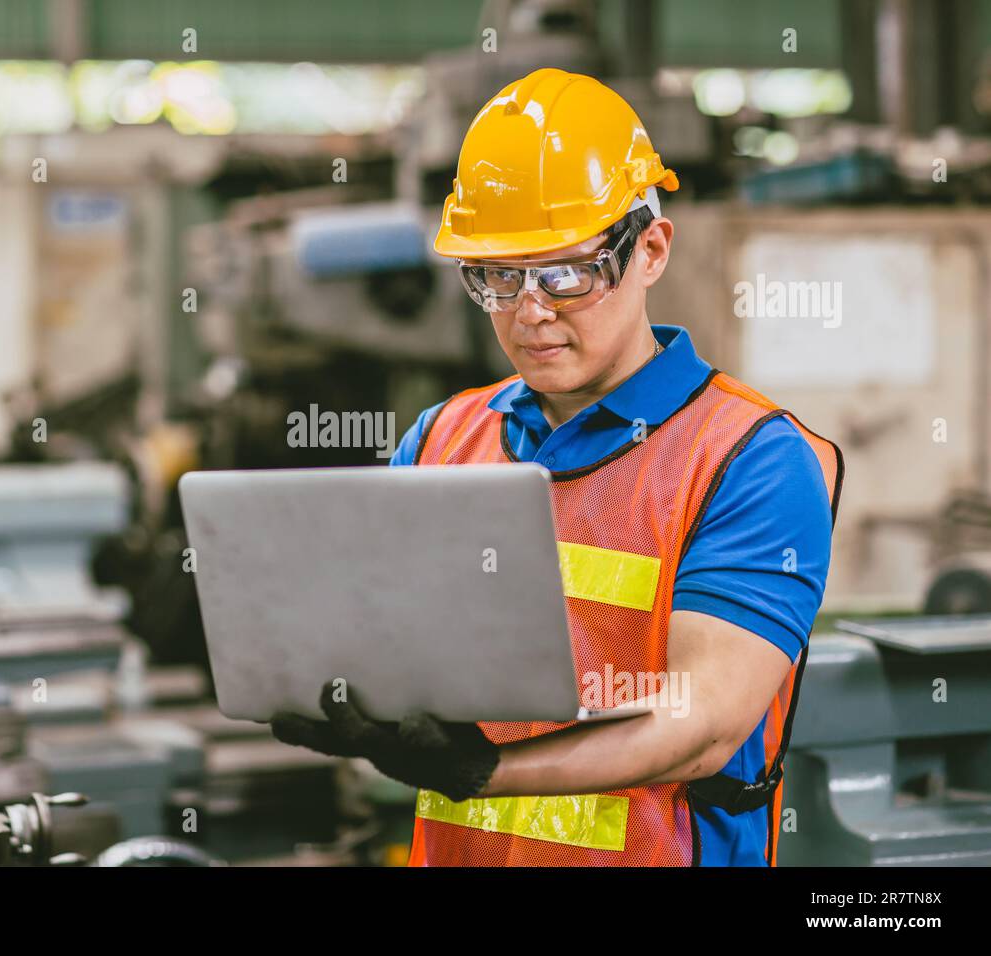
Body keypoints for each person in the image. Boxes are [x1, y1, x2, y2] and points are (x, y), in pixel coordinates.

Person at [270, 68, 843, 866]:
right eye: (499, 277)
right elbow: (385, 643)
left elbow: (701, 726)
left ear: (650, 249)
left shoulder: (749, 461)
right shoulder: (442, 438)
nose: (530, 311)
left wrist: (487, 771)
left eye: (566, 273)